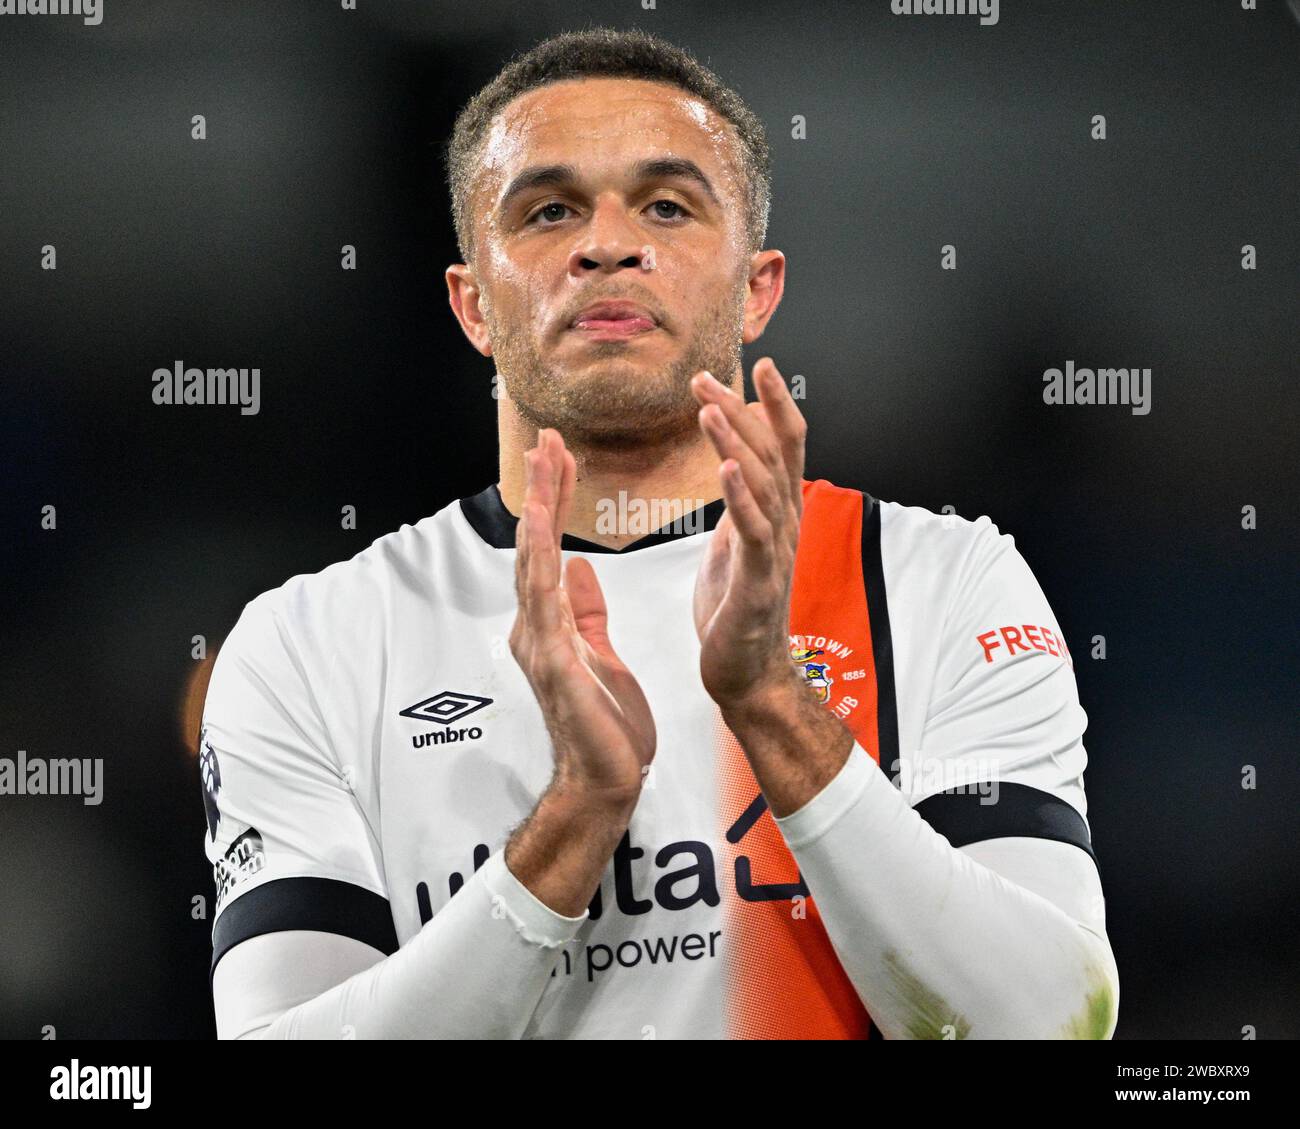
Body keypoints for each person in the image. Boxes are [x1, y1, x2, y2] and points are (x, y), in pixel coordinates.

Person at [200, 26, 1119, 1039]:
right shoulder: (310, 643)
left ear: (757, 288)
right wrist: (578, 816)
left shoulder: (942, 582)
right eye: (548, 209)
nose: (606, 243)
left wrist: (769, 702)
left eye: (667, 206)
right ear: (470, 305)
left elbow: (1049, 1024)